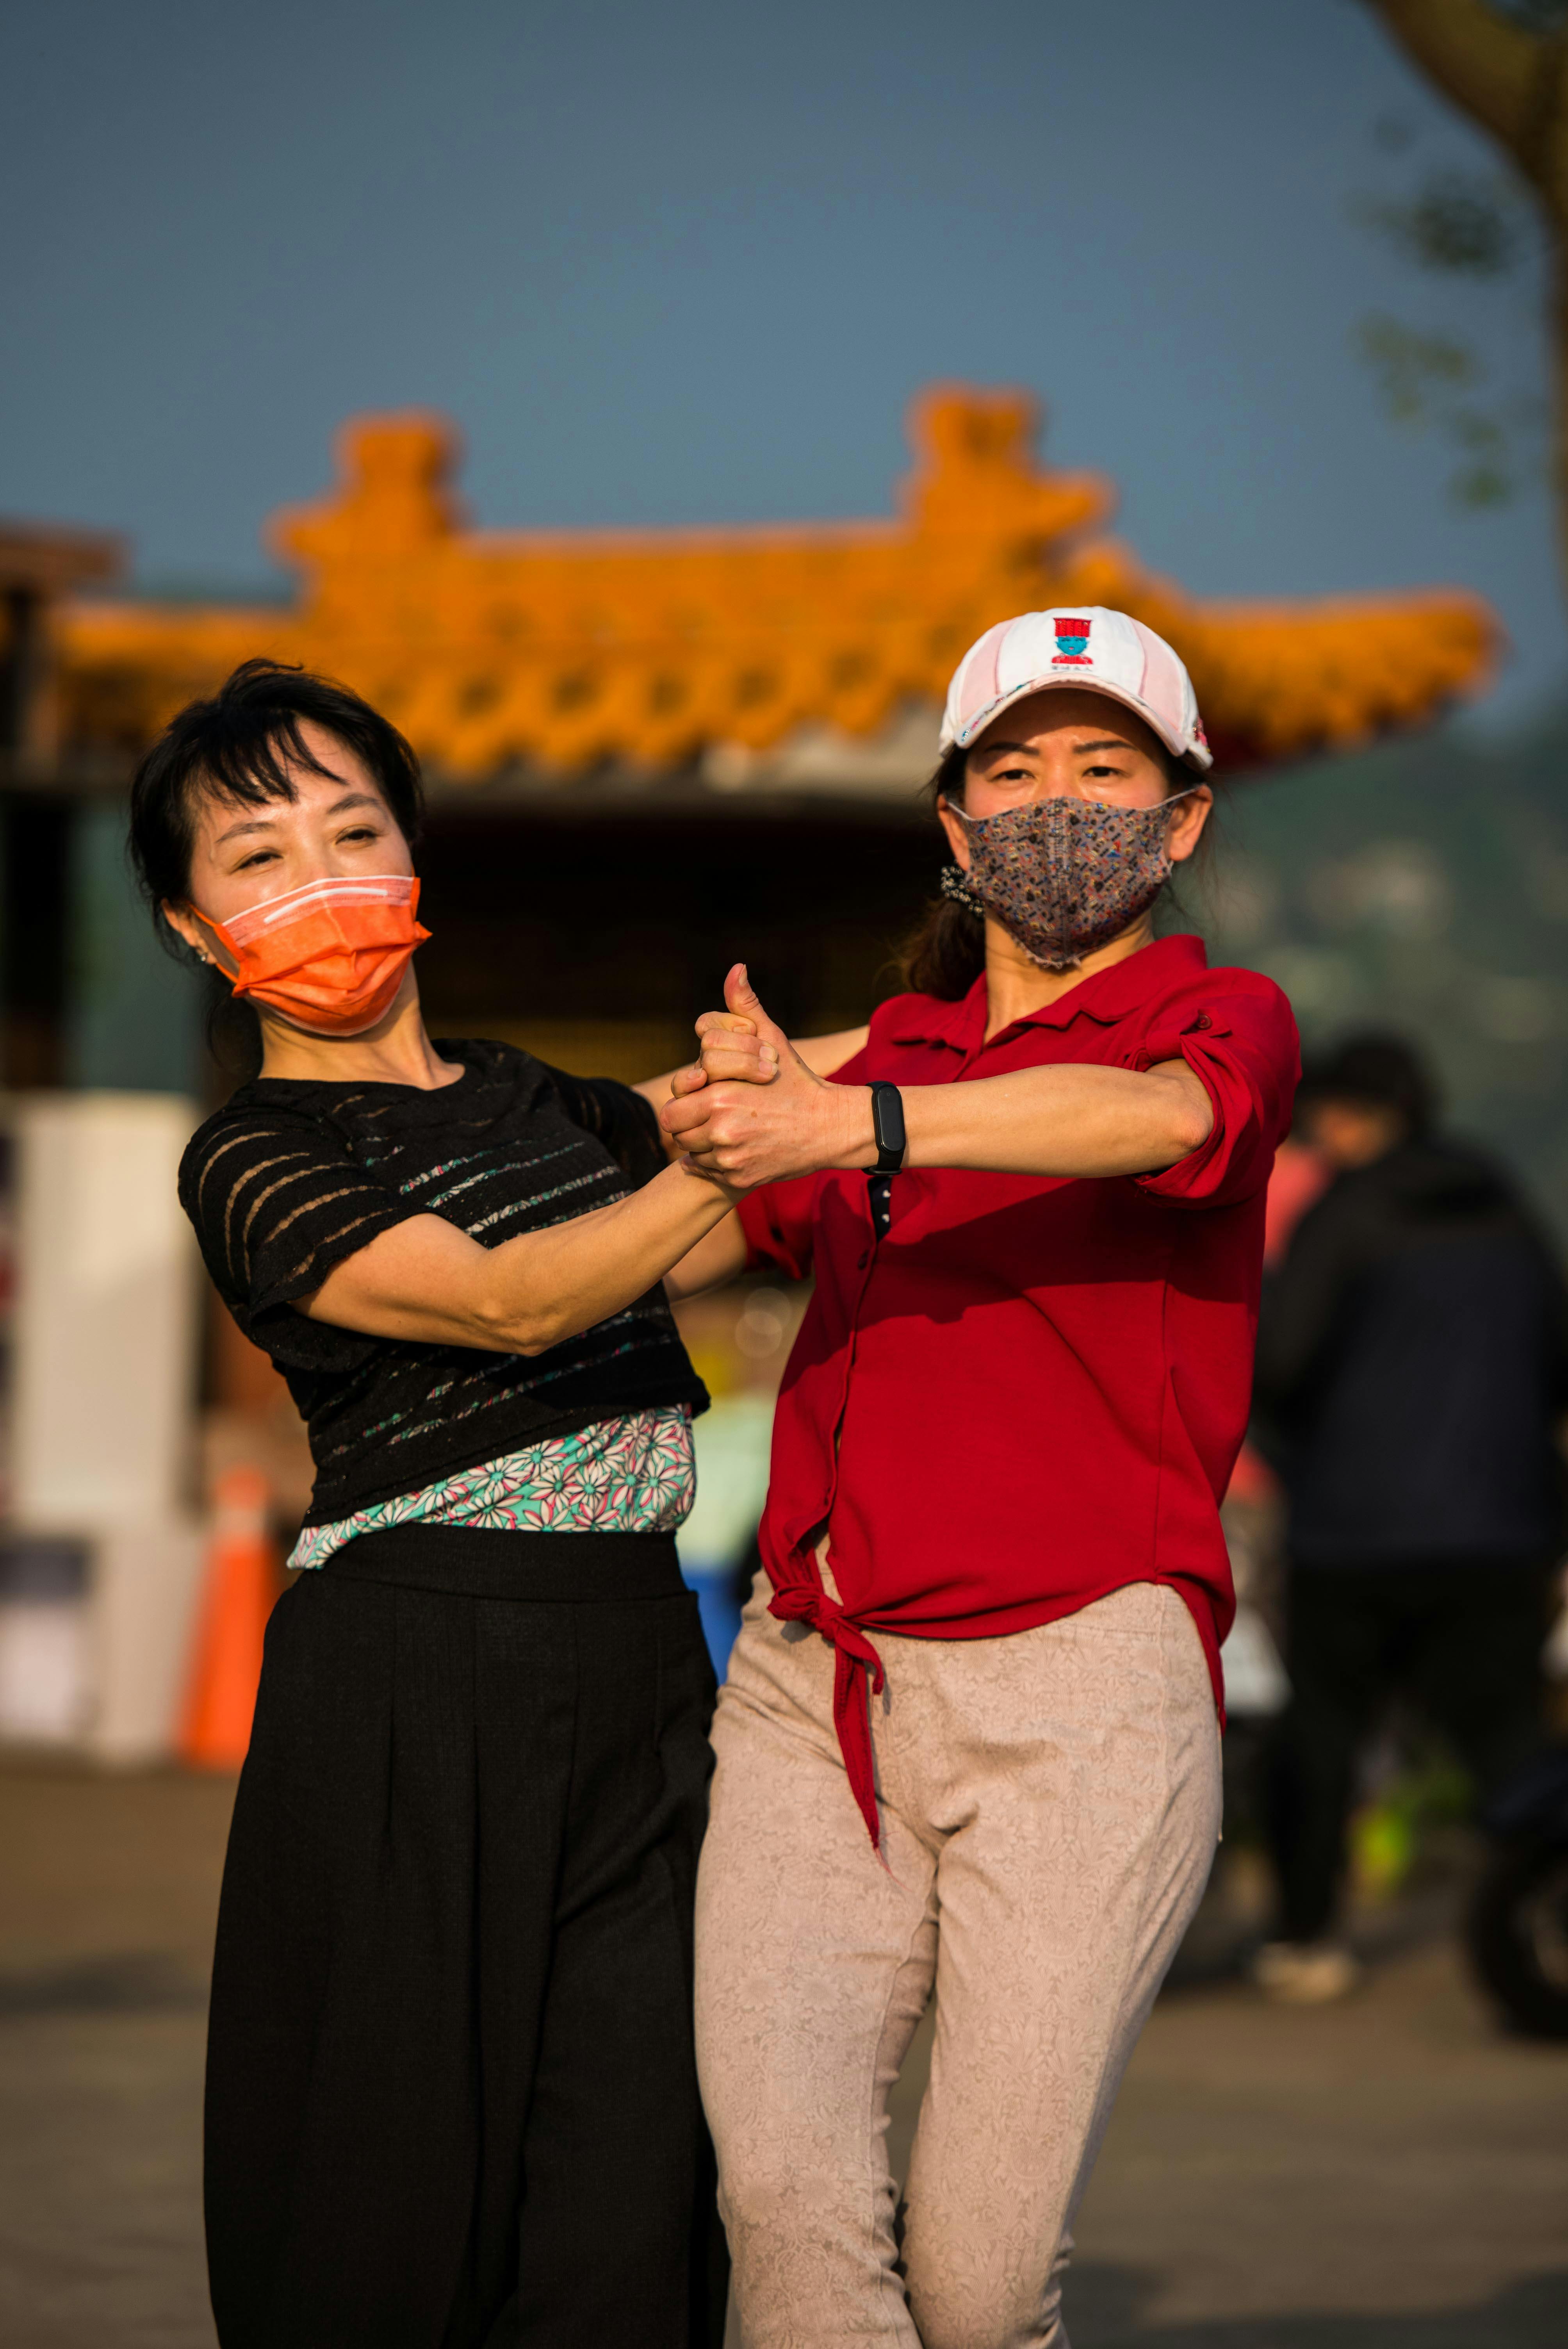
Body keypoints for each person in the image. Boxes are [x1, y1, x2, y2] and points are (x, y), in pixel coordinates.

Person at [657, 608, 1301, 2349]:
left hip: (1081, 1690)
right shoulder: (886, 1048)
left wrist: (846, 1116)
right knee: (784, 2215)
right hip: (815, 1690)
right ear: (950, 825)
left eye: (1106, 770)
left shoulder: (1215, 1016)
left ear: (1181, 821)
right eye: (1009, 772)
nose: (1055, 805)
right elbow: (707, 1206)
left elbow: (1149, 1121)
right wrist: (696, 1116)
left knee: (977, 2274)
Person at [128, 658, 746, 2349]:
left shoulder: (540, 1098)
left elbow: (782, 1103)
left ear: (412, 858)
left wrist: (1002, 1026)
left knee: (628, 2181)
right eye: (254, 855)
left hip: (639, 1660)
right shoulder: (249, 1157)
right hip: (413, 1677)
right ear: (191, 926)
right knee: (389, 2188)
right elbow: (509, 1303)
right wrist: (712, 1163)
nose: (317, 874)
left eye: (351, 824)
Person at [1251, 1033, 1568, 2005]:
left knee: (1322, 1735)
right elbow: (1555, 1362)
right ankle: (1543, 1903)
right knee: (1506, 1736)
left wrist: (1303, 1462)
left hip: (1358, 1530)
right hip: (1504, 1529)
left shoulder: (1346, 1213)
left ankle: (1307, 1939)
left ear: (1346, 1116)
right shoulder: (1506, 1205)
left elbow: (1279, 1361)